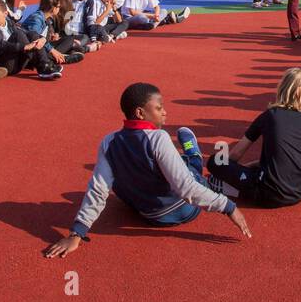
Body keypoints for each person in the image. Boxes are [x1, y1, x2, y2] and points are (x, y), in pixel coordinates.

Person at [44, 83, 251, 257]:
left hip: (149, 214)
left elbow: (98, 190)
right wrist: (228, 206)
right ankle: (194, 154)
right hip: (184, 210)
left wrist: (76, 234)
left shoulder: (109, 141)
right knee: (193, 173)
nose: (164, 112)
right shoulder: (158, 138)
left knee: (118, 179)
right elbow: (186, 189)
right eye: (159, 108)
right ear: (140, 113)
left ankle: (188, 158)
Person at [207, 68, 301, 207]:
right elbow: (293, 157)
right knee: (258, 170)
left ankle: (228, 188)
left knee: (215, 160)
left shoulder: (270, 115)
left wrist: (227, 170)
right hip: (298, 193)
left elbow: (236, 153)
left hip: (267, 194)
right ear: (299, 94)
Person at [0, 0, 61, 79]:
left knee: (32, 34)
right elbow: (1, 44)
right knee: (18, 34)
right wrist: (24, 47)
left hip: (17, 61)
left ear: (5, 14)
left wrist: (43, 39)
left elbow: (26, 32)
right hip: (3, 65)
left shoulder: (9, 23)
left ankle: (44, 64)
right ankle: (42, 66)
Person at [22, 0, 84, 66]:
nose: (59, 9)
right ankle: (61, 58)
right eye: (58, 7)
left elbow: (44, 38)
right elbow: (35, 38)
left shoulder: (46, 18)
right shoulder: (37, 19)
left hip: (42, 46)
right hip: (31, 50)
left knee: (69, 39)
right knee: (44, 49)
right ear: (53, 8)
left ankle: (60, 56)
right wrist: (52, 50)